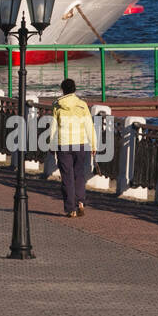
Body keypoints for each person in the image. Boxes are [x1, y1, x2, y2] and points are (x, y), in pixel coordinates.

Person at [52, 78, 97, 218]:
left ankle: (71, 209)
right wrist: (94, 144)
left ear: (63, 90)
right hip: (80, 144)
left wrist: (52, 145)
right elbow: (89, 126)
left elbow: (54, 128)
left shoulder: (57, 105)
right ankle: (81, 202)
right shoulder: (82, 105)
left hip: (63, 144)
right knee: (79, 174)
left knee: (67, 177)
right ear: (74, 89)